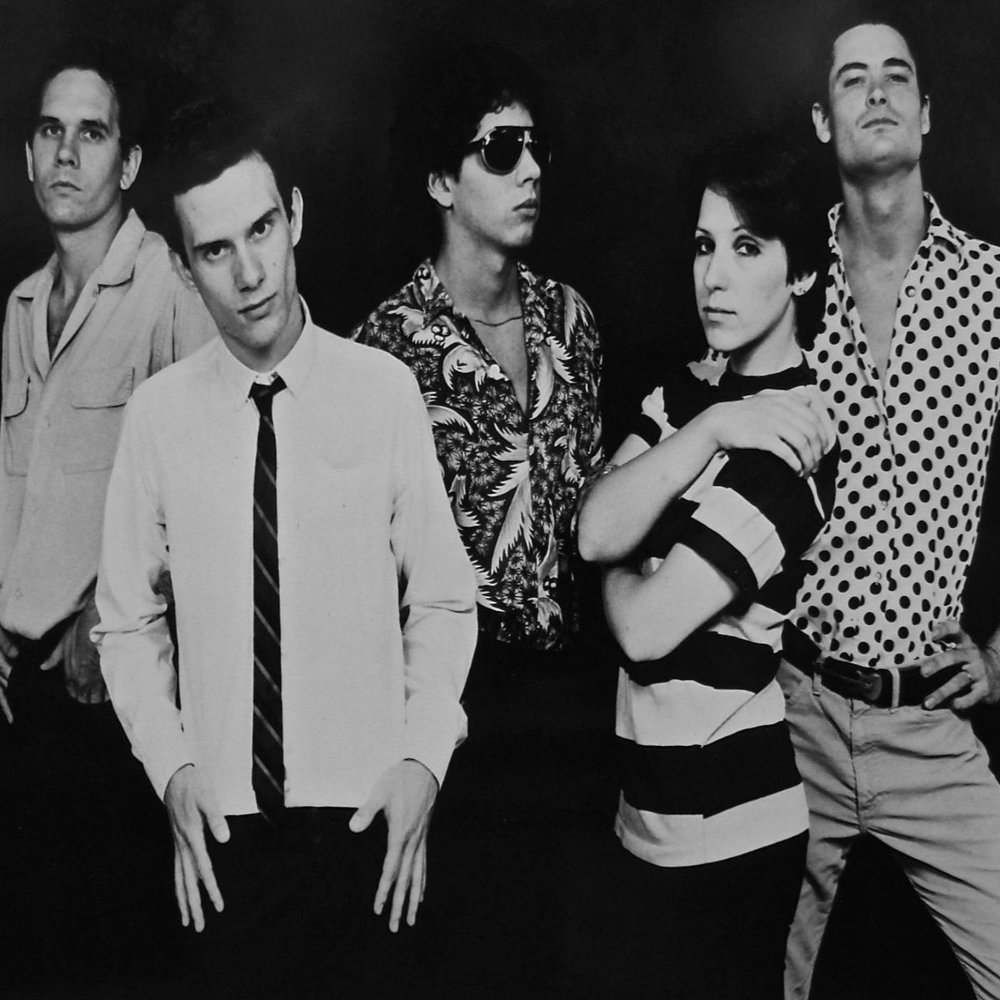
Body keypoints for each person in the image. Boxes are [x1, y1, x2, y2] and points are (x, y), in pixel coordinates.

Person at [92, 97, 477, 1000]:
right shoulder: (158, 418)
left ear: (295, 215)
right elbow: (125, 623)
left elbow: (443, 599)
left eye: (262, 229)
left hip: (371, 824)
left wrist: (423, 763)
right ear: (184, 267)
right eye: (215, 251)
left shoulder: (382, 392)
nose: (250, 273)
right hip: (224, 837)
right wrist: (173, 771)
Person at [354, 45, 606, 995]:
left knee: (561, 959)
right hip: (451, 710)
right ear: (439, 181)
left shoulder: (574, 321)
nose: (530, 168)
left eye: (536, 147)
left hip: (572, 711)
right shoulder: (383, 350)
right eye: (501, 150)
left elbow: (590, 512)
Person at [576, 132, 838, 1000]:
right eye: (703, 245)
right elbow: (591, 531)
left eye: (747, 247)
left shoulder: (798, 436)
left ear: (803, 273)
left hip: (734, 837)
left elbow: (644, 630)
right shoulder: (685, 398)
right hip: (642, 820)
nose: (713, 276)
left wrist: (629, 544)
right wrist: (714, 427)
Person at [779, 18, 1000, 1000]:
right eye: (852, 79)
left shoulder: (992, 289)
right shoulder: (781, 280)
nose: (876, 92)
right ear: (822, 120)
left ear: (926, 112)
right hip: (794, 710)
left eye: (895, 76)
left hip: (926, 725)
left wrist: (998, 659)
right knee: (743, 968)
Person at [0, 42, 215, 991]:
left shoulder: (169, 290)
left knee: (117, 957)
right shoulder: (19, 306)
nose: (65, 153)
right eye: (51, 131)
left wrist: (111, 613)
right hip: (23, 699)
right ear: (27, 154)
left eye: (91, 134)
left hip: (112, 695)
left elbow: (212, 483)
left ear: (128, 165)